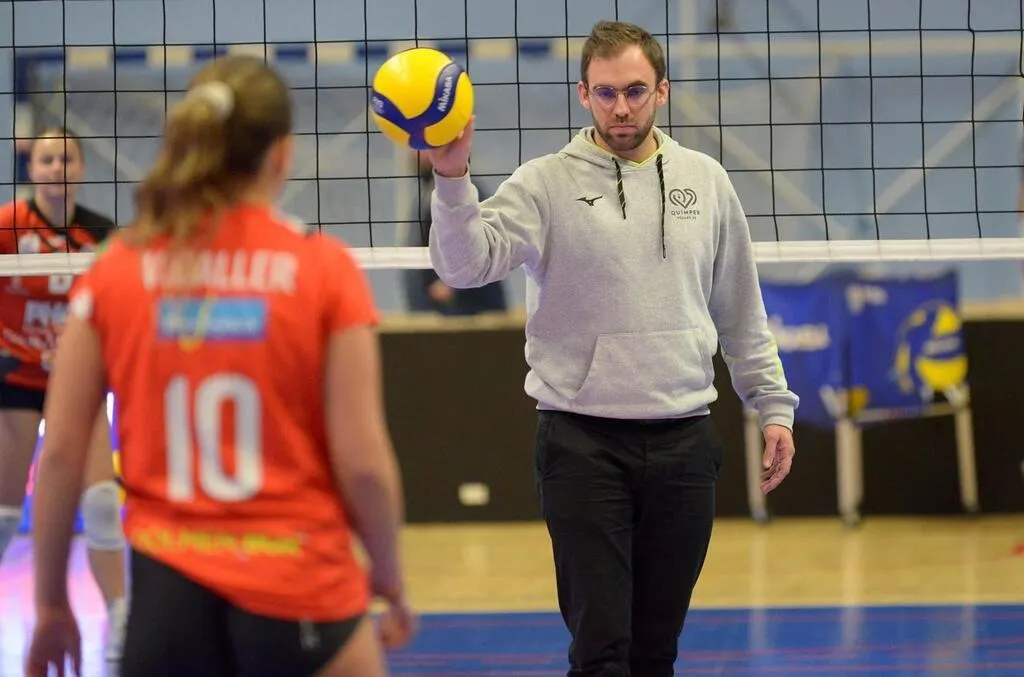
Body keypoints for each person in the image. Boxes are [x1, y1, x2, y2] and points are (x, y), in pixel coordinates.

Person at [426, 19, 799, 677]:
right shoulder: (544, 183)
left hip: (685, 442)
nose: (620, 107)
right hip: (581, 444)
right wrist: (452, 179)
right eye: (605, 93)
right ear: (582, 95)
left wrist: (773, 406)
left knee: (656, 652)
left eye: (634, 90)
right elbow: (464, 266)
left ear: (662, 90)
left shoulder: (706, 181)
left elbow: (741, 309)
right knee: (602, 651)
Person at [26, 55, 415, 677]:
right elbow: (363, 461)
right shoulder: (323, 270)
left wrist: (50, 603)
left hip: (167, 599)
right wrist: (391, 580)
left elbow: (64, 453)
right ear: (281, 154)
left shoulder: (116, 270)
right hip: (300, 587)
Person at [0, 127, 128, 663]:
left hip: (79, 379)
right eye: (47, 158)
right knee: (6, 512)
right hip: (16, 377)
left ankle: (121, 621)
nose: (56, 167)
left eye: (66, 158)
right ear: (33, 169)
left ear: (80, 167)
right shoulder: (7, 225)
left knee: (101, 503)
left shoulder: (102, 233)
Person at [403, 152, 507, 316]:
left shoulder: (466, 194)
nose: (412, 149)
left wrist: (452, 287)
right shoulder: (425, 193)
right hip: (434, 315)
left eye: (421, 143)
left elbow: (483, 249)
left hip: (470, 315)